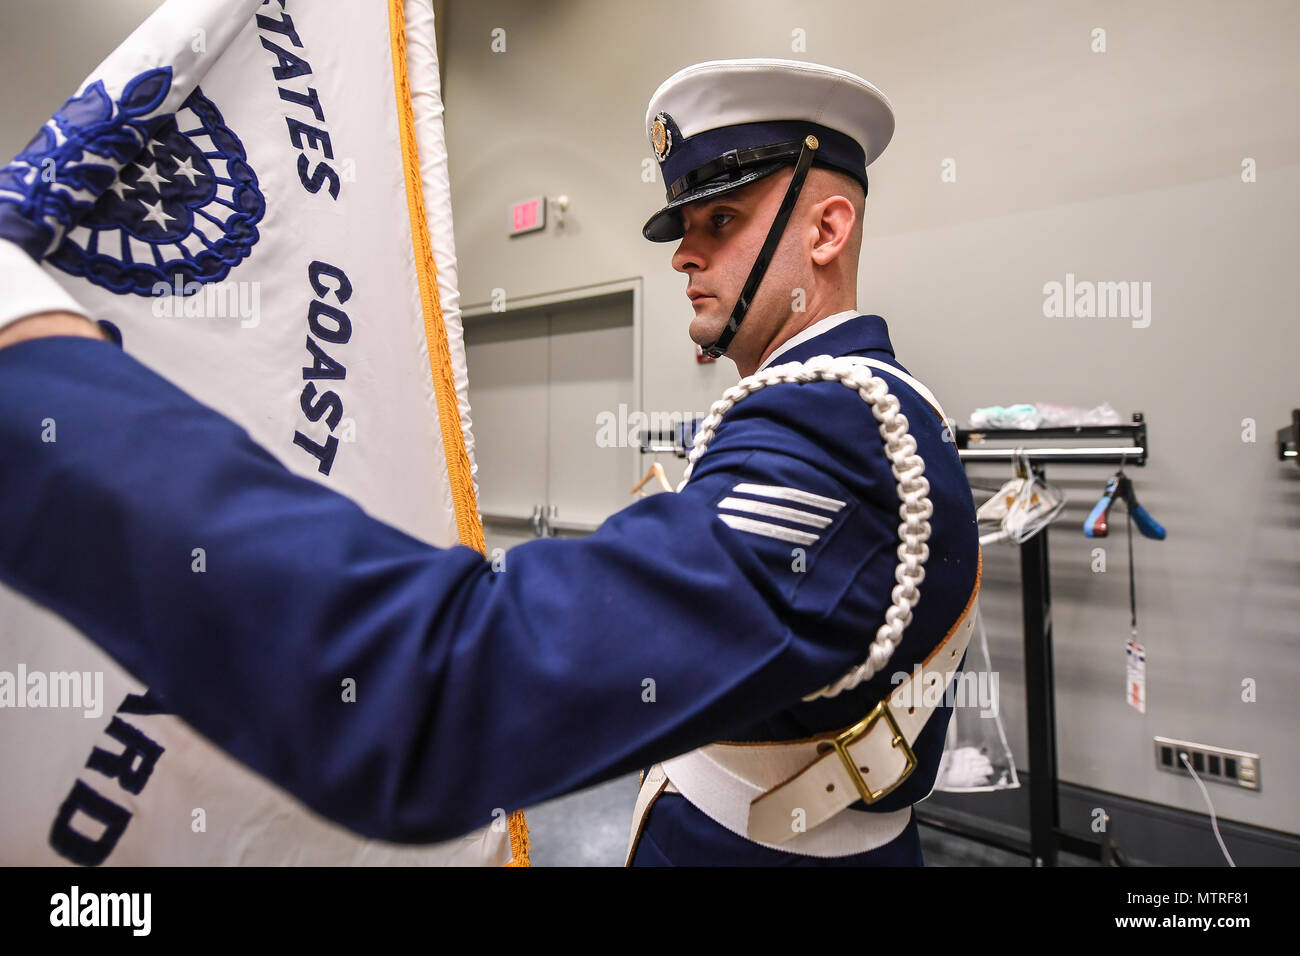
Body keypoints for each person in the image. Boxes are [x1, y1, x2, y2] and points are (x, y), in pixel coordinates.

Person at [0, 58, 980, 866]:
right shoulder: (828, 411)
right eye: (683, 228)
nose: (685, 255)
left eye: (719, 221)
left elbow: (431, 698)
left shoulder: (839, 435)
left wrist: (35, 369)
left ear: (826, 229)